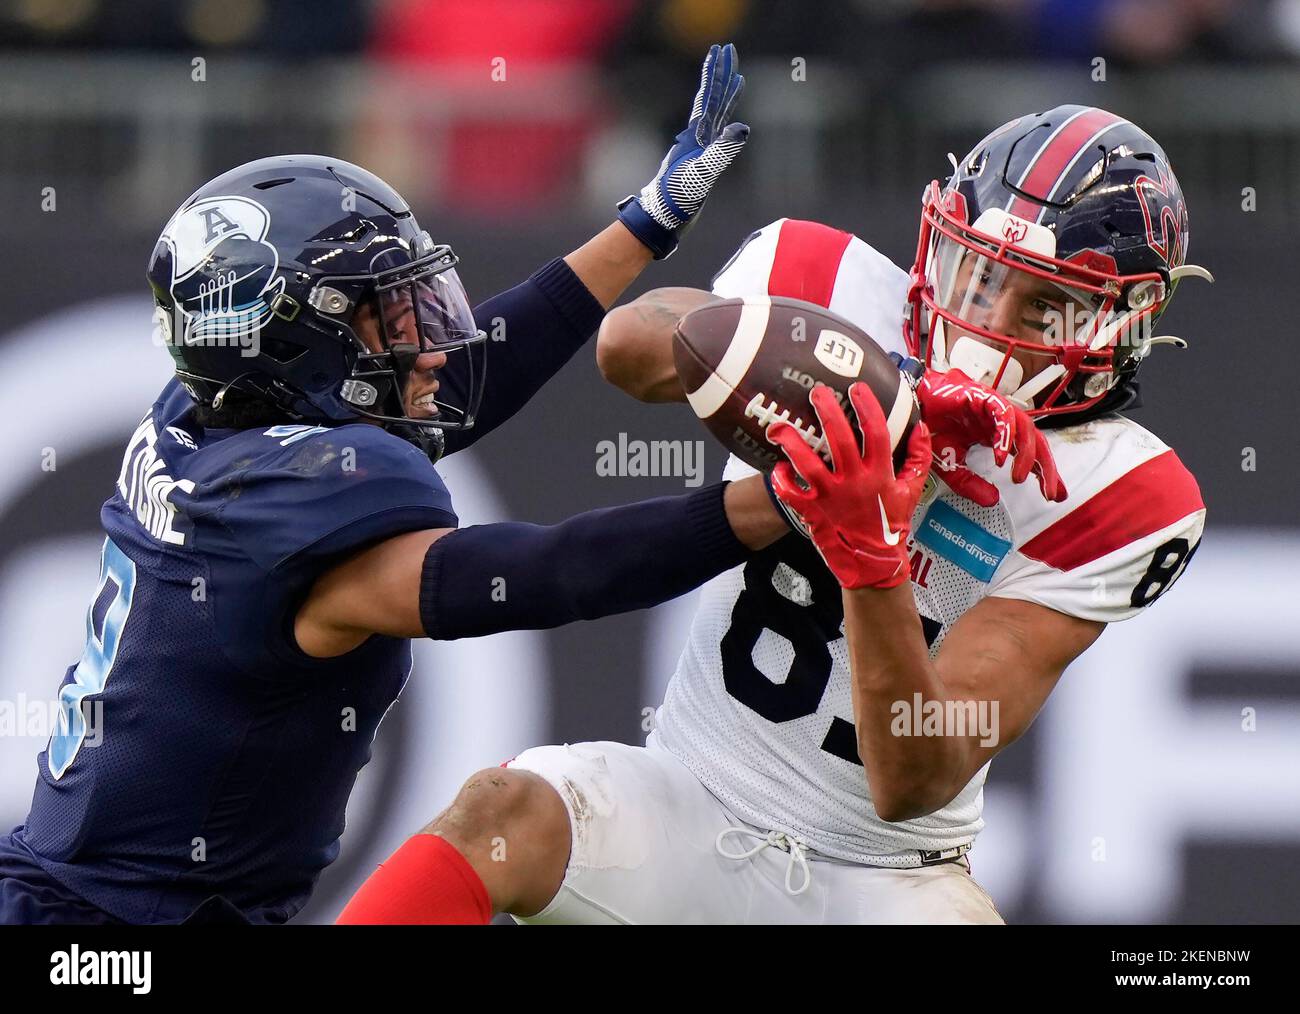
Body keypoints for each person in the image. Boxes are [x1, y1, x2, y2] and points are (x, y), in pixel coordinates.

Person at [333, 106, 1202, 926]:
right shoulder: (833, 293)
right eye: (978, 278)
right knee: (503, 812)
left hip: (886, 876)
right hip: (690, 798)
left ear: (1120, 327)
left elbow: (915, 769)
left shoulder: (1116, 492)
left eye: (1044, 306)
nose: (989, 325)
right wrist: (874, 390)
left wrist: (872, 552)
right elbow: (629, 348)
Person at [0, 45, 780, 925]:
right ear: (300, 339)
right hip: (108, 934)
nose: (432, 342)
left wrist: (645, 222)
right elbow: (549, 571)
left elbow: (465, 377)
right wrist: (776, 503)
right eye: (390, 312)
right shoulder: (291, 513)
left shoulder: (211, 411)